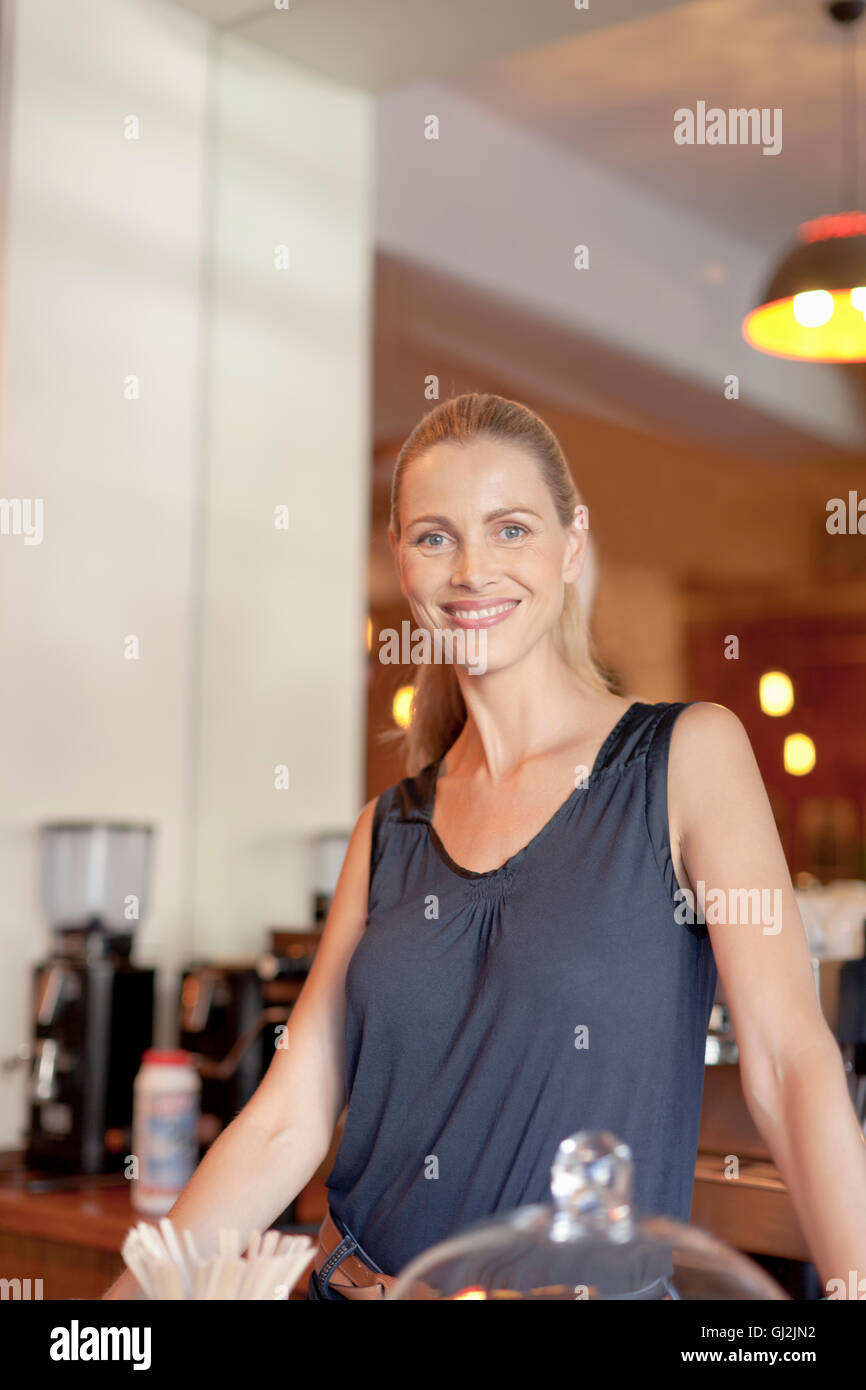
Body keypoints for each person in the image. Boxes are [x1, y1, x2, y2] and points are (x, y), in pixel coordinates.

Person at [106, 392, 866, 1302]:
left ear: (570, 545)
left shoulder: (686, 758)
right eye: (435, 537)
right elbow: (285, 1122)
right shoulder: (388, 827)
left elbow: (788, 1062)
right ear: (402, 561)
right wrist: (124, 1315)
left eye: (511, 529)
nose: (473, 569)